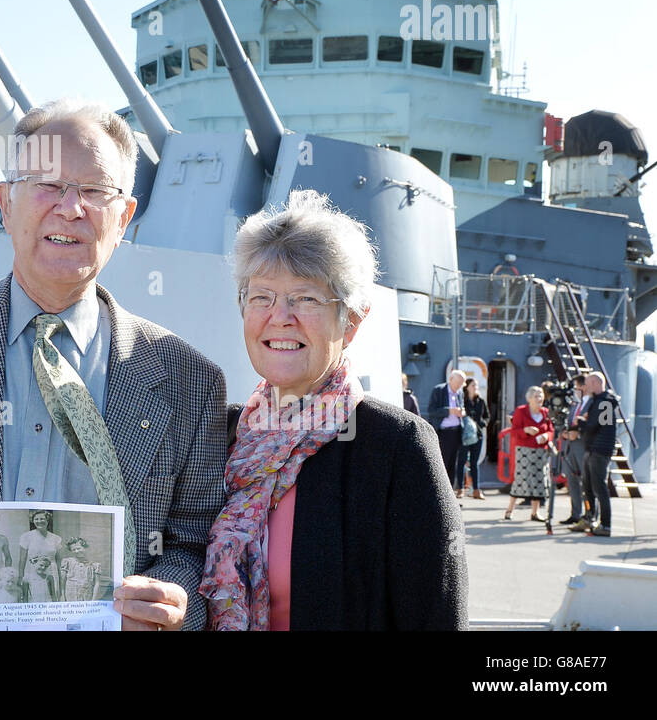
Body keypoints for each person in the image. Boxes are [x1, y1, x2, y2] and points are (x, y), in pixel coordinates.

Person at [0, 99, 228, 631]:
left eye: (95, 191)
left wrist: (177, 604)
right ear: (5, 202)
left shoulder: (191, 379)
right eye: (48, 185)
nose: (71, 207)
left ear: (124, 217)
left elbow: (195, 541)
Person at [201, 190, 467, 630]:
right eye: (262, 296)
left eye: (305, 298)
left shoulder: (394, 446)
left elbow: (435, 617)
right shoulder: (221, 434)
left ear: (352, 320)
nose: (280, 317)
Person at [504, 386, 554, 521]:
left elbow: (551, 430)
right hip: (524, 451)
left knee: (539, 481)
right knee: (521, 480)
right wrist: (525, 430)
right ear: (530, 398)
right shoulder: (521, 411)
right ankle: (509, 510)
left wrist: (547, 437)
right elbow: (514, 431)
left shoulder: (546, 412)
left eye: (541, 395)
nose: (540, 398)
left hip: (540, 452)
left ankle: (535, 512)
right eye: (537, 396)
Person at [579, 373, 620, 537]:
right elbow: (596, 423)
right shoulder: (599, 401)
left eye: (587, 383)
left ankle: (605, 524)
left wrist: (581, 422)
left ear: (596, 383)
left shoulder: (606, 402)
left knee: (599, 488)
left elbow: (597, 425)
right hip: (592, 448)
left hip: (600, 450)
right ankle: (590, 518)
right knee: (588, 487)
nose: (585, 387)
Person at [559, 375, 593, 527]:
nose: (574, 391)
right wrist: (566, 433)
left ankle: (589, 514)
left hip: (583, 446)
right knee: (572, 481)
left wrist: (577, 434)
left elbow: (594, 426)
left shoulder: (593, 403)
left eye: (575, 388)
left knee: (586, 482)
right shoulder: (575, 404)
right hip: (570, 446)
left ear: (583, 387)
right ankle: (575, 513)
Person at [427, 370, 467, 490]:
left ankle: (450, 496)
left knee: (452, 466)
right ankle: (440, 493)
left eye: (461, 384)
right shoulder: (439, 390)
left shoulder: (459, 392)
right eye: (458, 383)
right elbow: (431, 410)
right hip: (443, 433)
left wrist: (462, 412)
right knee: (442, 464)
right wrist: (449, 411)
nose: (459, 386)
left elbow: (462, 407)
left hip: (456, 432)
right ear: (450, 380)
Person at [455, 377, 489, 499]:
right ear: (467, 387)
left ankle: (476, 490)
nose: (476, 387)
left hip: (478, 435)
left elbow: (487, 416)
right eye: (473, 385)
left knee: (474, 463)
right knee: (462, 461)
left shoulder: (481, 401)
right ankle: (460, 488)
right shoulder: (462, 400)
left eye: (476, 385)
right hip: (465, 435)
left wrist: (481, 425)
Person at [59, 537, 102, 601]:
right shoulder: (67, 563)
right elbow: (63, 581)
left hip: (86, 596)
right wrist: (62, 595)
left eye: (78, 548)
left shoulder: (94, 565)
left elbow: (97, 583)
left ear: (85, 548)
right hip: (70, 596)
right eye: (73, 549)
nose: (76, 551)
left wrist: (93, 599)